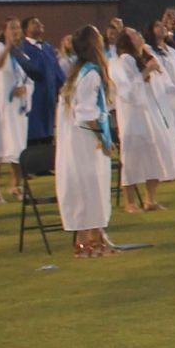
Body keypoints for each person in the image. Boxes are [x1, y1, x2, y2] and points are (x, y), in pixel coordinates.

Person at [55, 25, 116, 258]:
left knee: (85, 185)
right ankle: (88, 241)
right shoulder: (90, 74)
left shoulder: (78, 71)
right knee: (90, 185)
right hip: (86, 140)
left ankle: (90, 237)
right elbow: (87, 113)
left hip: (76, 139)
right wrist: (104, 138)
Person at [111, 28, 175, 212]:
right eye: (134, 34)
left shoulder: (146, 57)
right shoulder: (122, 61)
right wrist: (146, 71)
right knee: (132, 157)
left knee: (155, 154)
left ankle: (150, 199)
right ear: (126, 40)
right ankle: (130, 202)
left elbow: (161, 85)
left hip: (153, 115)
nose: (139, 35)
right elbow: (126, 90)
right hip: (134, 116)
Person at [0, 17, 31, 202]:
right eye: (12, 28)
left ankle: (15, 185)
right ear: (4, 31)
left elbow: (29, 78)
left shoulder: (22, 53)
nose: (16, 31)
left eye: (18, 28)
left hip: (16, 110)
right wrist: (9, 46)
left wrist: (25, 89)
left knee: (17, 148)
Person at [12, 16, 64, 143]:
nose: (39, 24)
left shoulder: (47, 47)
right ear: (25, 29)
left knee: (48, 137)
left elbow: (57, 71)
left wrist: (64, 86)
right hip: (33, 98)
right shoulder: (21, 48)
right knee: (33, 136)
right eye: (34, 23)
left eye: (40, 22)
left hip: (49, 99)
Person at [145, 19, 175, 150]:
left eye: (163, 26)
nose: (162, 28)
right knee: (167, 133)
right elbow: (159, 73)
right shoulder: (149, 50)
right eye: (157, 26)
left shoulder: (173, 51)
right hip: (163, 97)